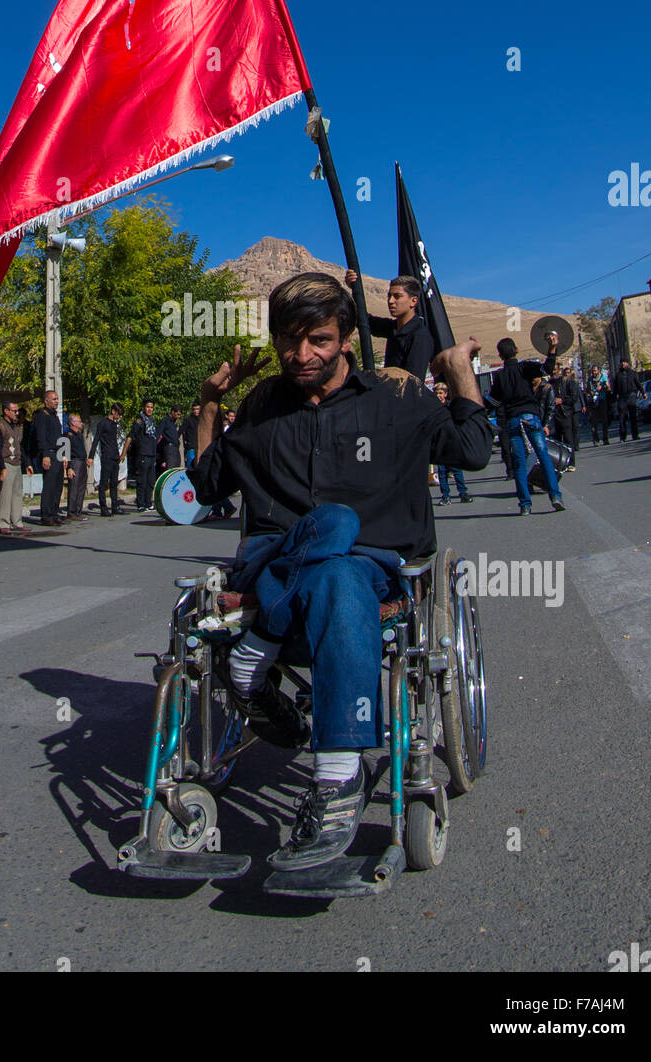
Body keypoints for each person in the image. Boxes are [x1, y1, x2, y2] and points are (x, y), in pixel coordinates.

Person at [187, 272, 492, 871]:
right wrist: (210, 403)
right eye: (289, 341)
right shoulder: (262, 405)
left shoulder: (397, 400)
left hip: (363, 573)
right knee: (333, 533)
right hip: (276, 558)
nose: (302, 356)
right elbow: (203, 485)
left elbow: (473, 450)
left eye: (319, 340)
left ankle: (330, 772)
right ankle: (290, 696)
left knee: (341, 550)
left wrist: (460, 375)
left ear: (347, 337)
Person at [489, 337, 564, 515]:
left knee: (519, 464)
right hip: (530, 417)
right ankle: (555, 496)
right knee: (543, 455)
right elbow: (546, 368)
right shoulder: (525, 367)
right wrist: (552, 348)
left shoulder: (499, 376)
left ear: (500, 355)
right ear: (516, 350)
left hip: (513, 421)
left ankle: (525, 504)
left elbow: (493, 401)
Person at [344, 269, 434, 380]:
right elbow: (363, 320)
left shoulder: (420, 336)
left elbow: (413, 382)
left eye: (397, 296)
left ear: (413, 301)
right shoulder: (392, 328)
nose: (391, 301)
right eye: (389, 296)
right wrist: (354, 288)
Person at [0, 401, 32, 532]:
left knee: (17, 493)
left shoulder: (15, 427)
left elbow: (20, 447)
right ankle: (3, 523)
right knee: (6, 494)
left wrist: (27, 463)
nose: (17, 413)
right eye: (14, 411)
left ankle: (17, 521)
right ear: (6, 411)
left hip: (17, 463)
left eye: (17, 411)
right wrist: (1, 467)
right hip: (6, 463)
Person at [431, 382, 473, 503]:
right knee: (442, 471)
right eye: (436, 393)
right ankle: (445, 495)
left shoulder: (450, 407)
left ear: (445, 394)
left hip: (451, 440)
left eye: (440, 393)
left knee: (457, 470)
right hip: (439, 442)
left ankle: (463, 492)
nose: (438, 395)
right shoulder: (433, 408)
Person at [34, 389, 66, 525]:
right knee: (49, 486)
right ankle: (46, 515)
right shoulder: (43, 415)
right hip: (50, 454)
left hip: (58, 453)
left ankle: (54, 512)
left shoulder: (54, 416)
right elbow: (41, 437)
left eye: (57, 399)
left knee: (58, 486)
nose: (57, 401)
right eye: (54, 399)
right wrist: (45, 455)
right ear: (46, 401)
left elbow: (59, 437)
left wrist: (64, 455)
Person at [90, 403, 124, 516]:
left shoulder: (114, 424)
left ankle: (115, 506)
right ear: (113, 411)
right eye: (119, 414)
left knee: (114, 483)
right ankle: (103, 508)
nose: (119, 417)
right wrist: (90, 456)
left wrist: (118, 455)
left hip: (115, 456)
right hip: (107, 456)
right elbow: (96, 440)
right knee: (104, 483)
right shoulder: (103, 423)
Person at [124, 399, 157, 511]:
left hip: (151, 453)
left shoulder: (152, 420)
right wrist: (123, 453)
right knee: (142, 480)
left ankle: (148, 502)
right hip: (142, 453)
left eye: (151, 407)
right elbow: (130, 435)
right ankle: (141, 503)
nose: (150, 409)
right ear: (144, 407)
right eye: (148, 407)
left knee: (150, 480)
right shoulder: (139, 421)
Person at [612, 360, 646, 442]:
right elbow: (615, 388)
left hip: (631, 396)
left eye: (624, 362)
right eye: (621, 362)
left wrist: (643, 393)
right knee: (622, 418)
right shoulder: (618, 375)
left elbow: (638, 383)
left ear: (627, 363)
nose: (623, 364)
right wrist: (613, 400)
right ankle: (622, 436)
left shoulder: (632, 373)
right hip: (622, 398)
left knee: (633, 417)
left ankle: (635, 435)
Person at [64, 414, 88, 517]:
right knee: (74, 488)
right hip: (74, 463)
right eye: (79, 421)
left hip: (82, 463)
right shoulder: (67, 435)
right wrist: (69, 467)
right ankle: (71, 512)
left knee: (81, 488)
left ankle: (78, 511)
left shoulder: (80, 435)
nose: (81, 423)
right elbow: (65, 453)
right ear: (73, 423)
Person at [584, 366, 611, 446]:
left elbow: (608, 388)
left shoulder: (603, 378)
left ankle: (605, 439)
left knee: (604, 420)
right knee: (594, 422)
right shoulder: (590, 379)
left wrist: (603, 387)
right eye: (593, 371)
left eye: (595, 371)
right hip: (593, 401)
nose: (594, 372)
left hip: (602, 400)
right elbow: (587, 389)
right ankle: (595, 440)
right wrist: (590, 391)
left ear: (598, 371)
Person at [156, 405, 182, 474]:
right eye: (177, 414)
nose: (179, 416)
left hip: (175, 448)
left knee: (176, 469)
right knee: (171, 470)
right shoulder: (165, 421)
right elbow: (158, 433)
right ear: (172, 412)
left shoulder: (173, 423)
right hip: (169, 448)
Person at [180, 401, 200, 467]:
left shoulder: (202, 420)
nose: (196, 411)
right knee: (190, 468)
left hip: (201, 448)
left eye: (197, 409)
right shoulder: (188, 420)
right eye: (194, 409)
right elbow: (181, 431)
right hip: (191, 448)